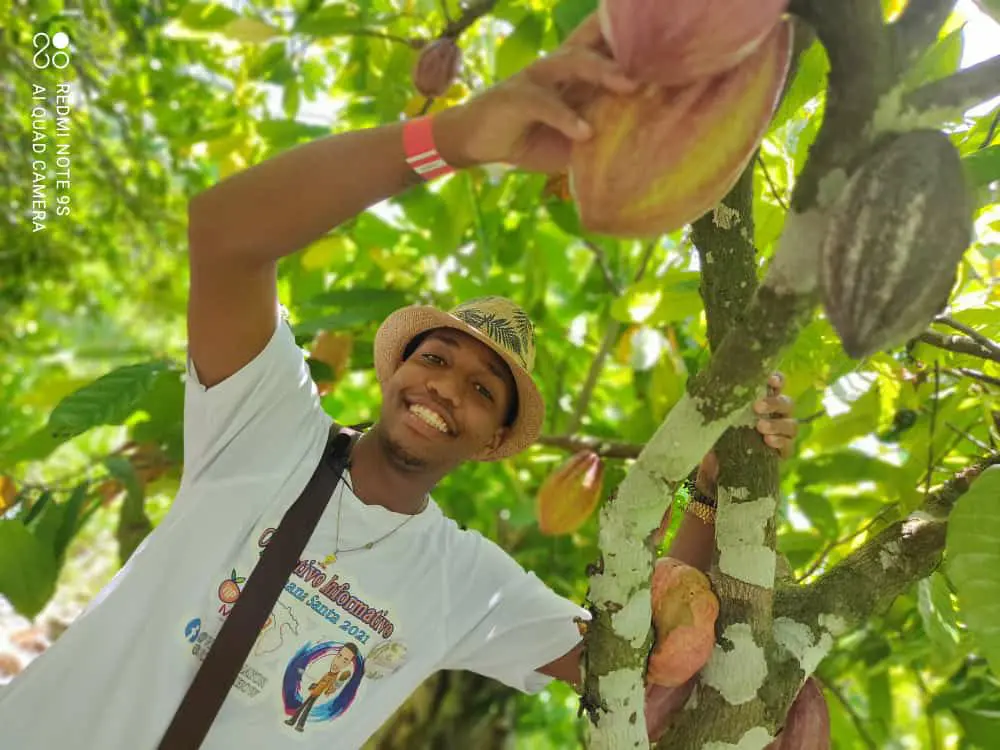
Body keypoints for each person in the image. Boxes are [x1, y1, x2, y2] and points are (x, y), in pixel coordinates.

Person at [0, 12, 798, 750]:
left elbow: (645, 654)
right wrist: (451, 137)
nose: (448, 387)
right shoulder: (265, 425)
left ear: (494, 444)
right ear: (396, 372)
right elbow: (225, 234)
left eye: (484, 392)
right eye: (436, 358)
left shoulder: (463, 581)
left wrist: (711, 488)